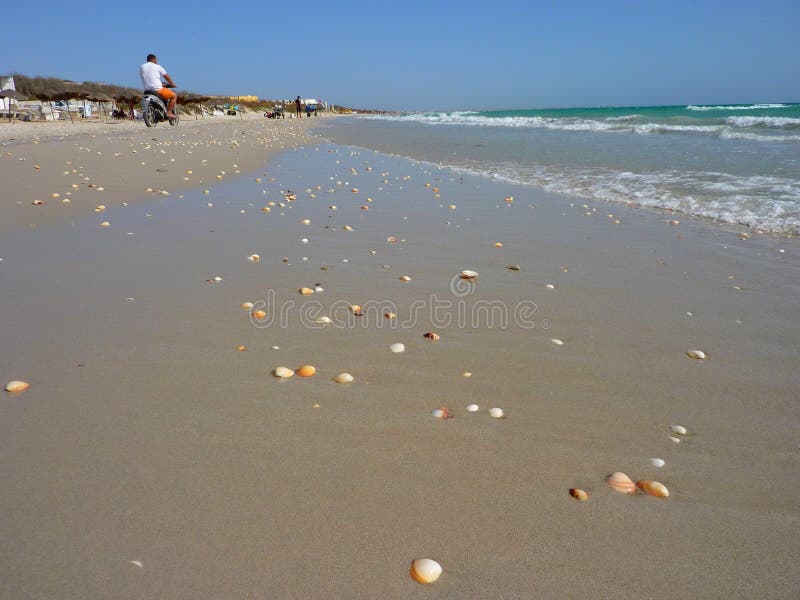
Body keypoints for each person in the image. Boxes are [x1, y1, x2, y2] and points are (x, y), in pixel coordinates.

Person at [139, 53, 177, 119]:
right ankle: (169, 112)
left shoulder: (142, 67)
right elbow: (166, 77)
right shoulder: (157, 66)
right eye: (156, 60)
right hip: (158, 90)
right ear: (153, 59)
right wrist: (172, 84)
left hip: (147, 90)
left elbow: (148, 77)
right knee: (174, 96)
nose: (157, 61)